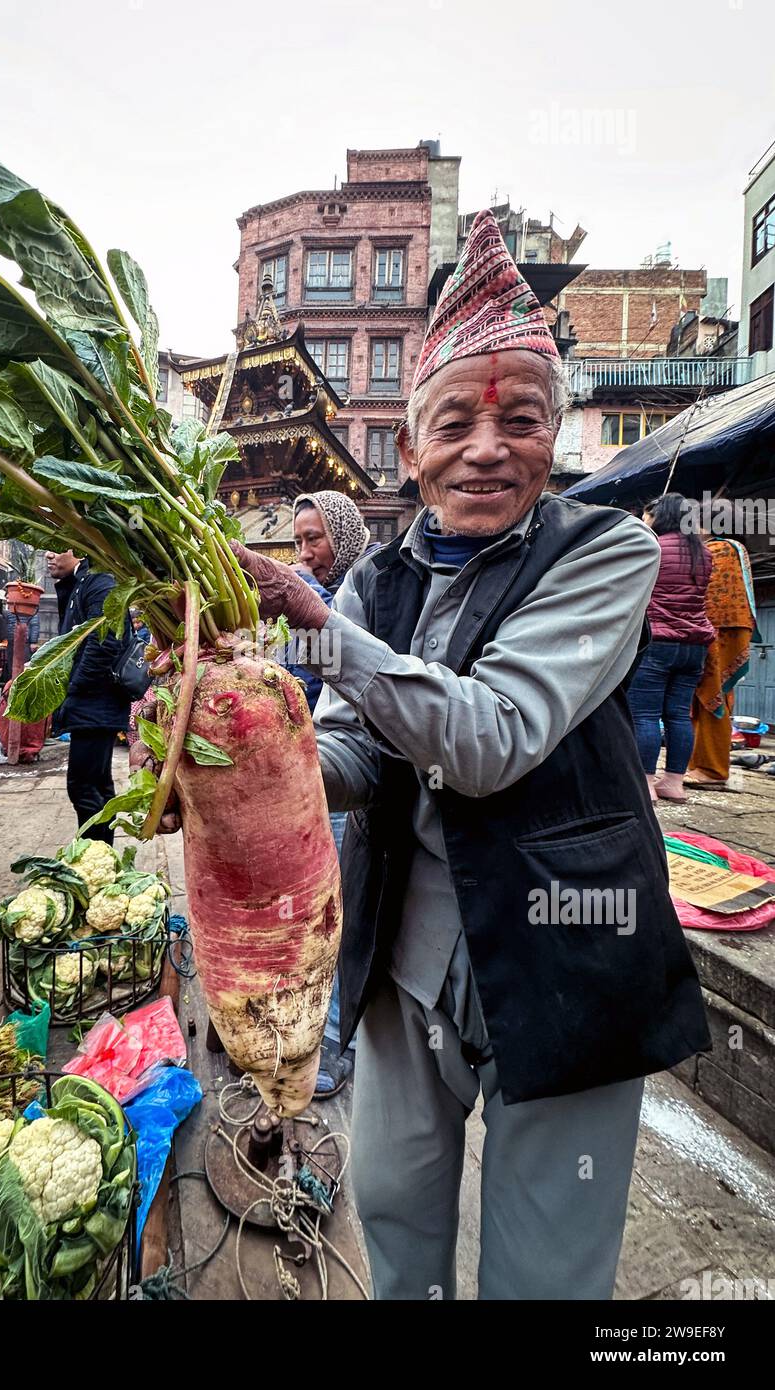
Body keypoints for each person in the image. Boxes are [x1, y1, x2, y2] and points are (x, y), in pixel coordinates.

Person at [223, 211, 709, 1299]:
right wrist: (246, 765)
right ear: (412, 446)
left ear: (553, 435)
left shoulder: (608, 555)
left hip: (567, 953)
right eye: (456, 423)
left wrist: (322, 631)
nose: (488, 446)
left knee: (546, 1266)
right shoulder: (375, 582)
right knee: (395, 1225)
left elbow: (491, 738)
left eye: (522, 420)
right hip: (406, 954)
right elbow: (350, 754)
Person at [290, 491, 381, 1095]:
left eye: (314, 538)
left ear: (343, 536)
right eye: (297, 540)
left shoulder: (368, 593)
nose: (304, 552)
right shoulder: (306, 598)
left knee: (338, 915)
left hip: (350, 775)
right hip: (306, 773)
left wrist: (305, 607)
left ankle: (337, 1043)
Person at [626, 494, 715, 803]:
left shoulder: (654, 548)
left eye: (649, 515)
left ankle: (646, 783)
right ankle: (674, 783)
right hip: (695, 645)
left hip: (659, 641)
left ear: (661, 516)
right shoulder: (704, 554)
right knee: (678, 714)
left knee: (645, 714)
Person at [46, 549, 131, 843]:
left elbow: (104, 643)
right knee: (97, 783)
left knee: (83, 786)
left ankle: (94, 855)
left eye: (56, 549)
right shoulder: (81, 583)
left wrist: (74, 688)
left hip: (96, 701)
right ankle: (102, 855)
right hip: (93, 702)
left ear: (78, 551)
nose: (48, 555)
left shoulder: (99, 582)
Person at [687, 536, 757, 788]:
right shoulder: (731, 548)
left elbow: (709, 597)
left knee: (712, 695)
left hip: (719, 630)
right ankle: (699, 764)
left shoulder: (720, 549)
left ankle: (712, 769)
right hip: (721, 628)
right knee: (703, 698)